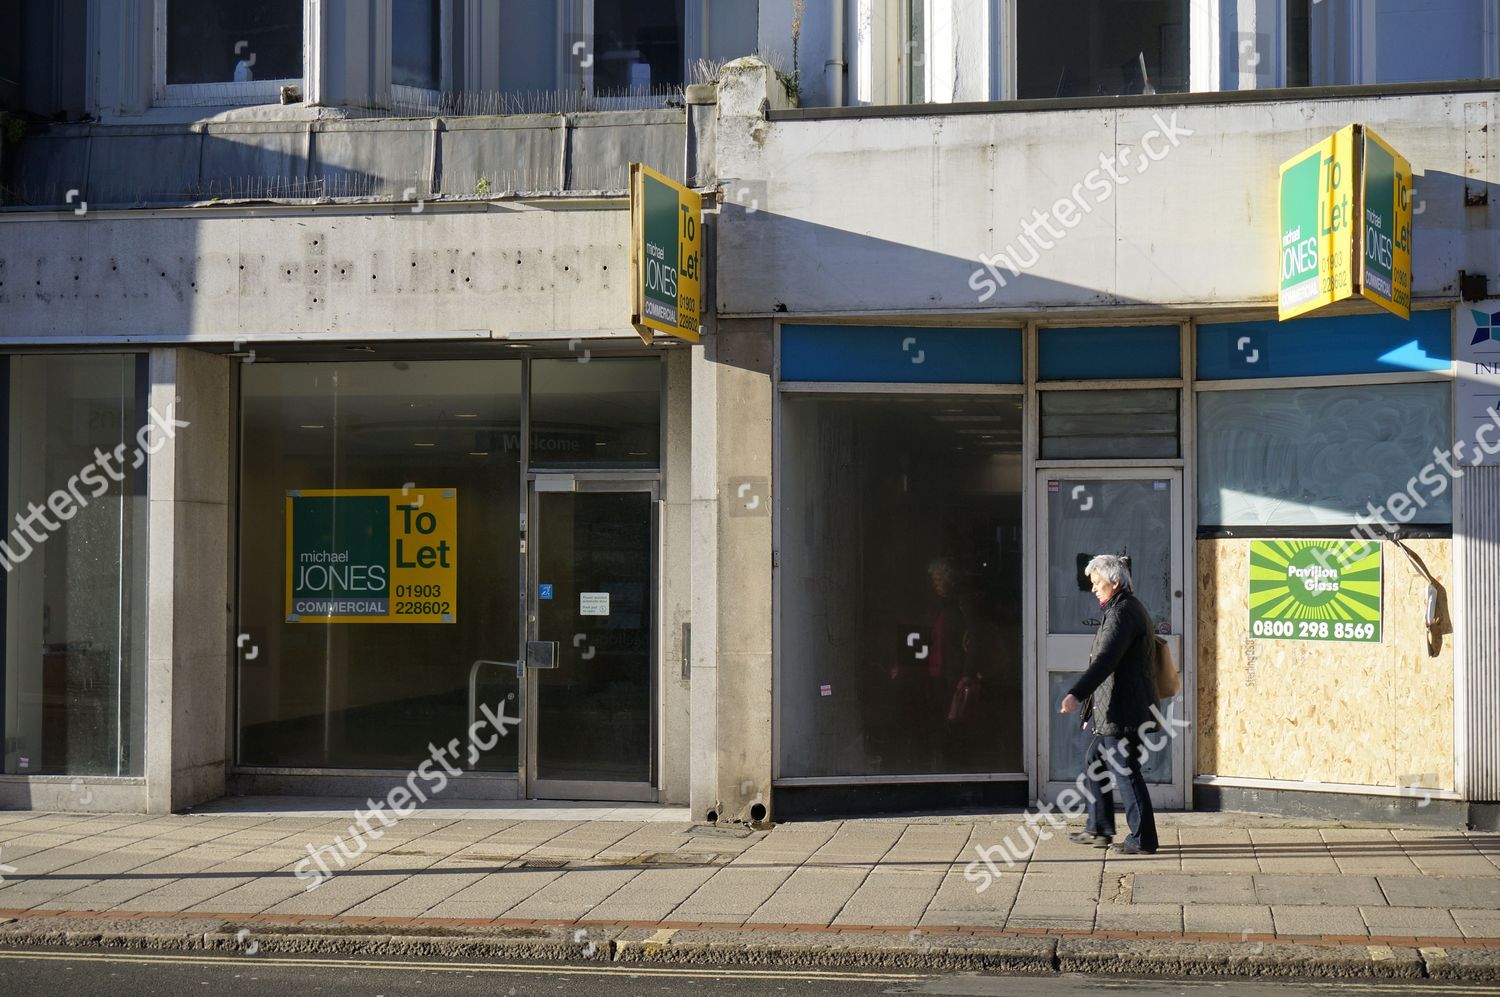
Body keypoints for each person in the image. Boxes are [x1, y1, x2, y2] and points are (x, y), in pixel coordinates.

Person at [1059, 554, 1160, 855]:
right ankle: (1099, 828)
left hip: (1122, 708)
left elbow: (1105, 661)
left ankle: (1143, 839)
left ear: (1115, 582)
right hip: (1114, 707)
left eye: (1097, 583)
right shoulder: (1121, 608)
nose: (1093, 589)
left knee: (1125, 770)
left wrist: (1076, 693)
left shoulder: (1122, 614)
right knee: (1093, 759)